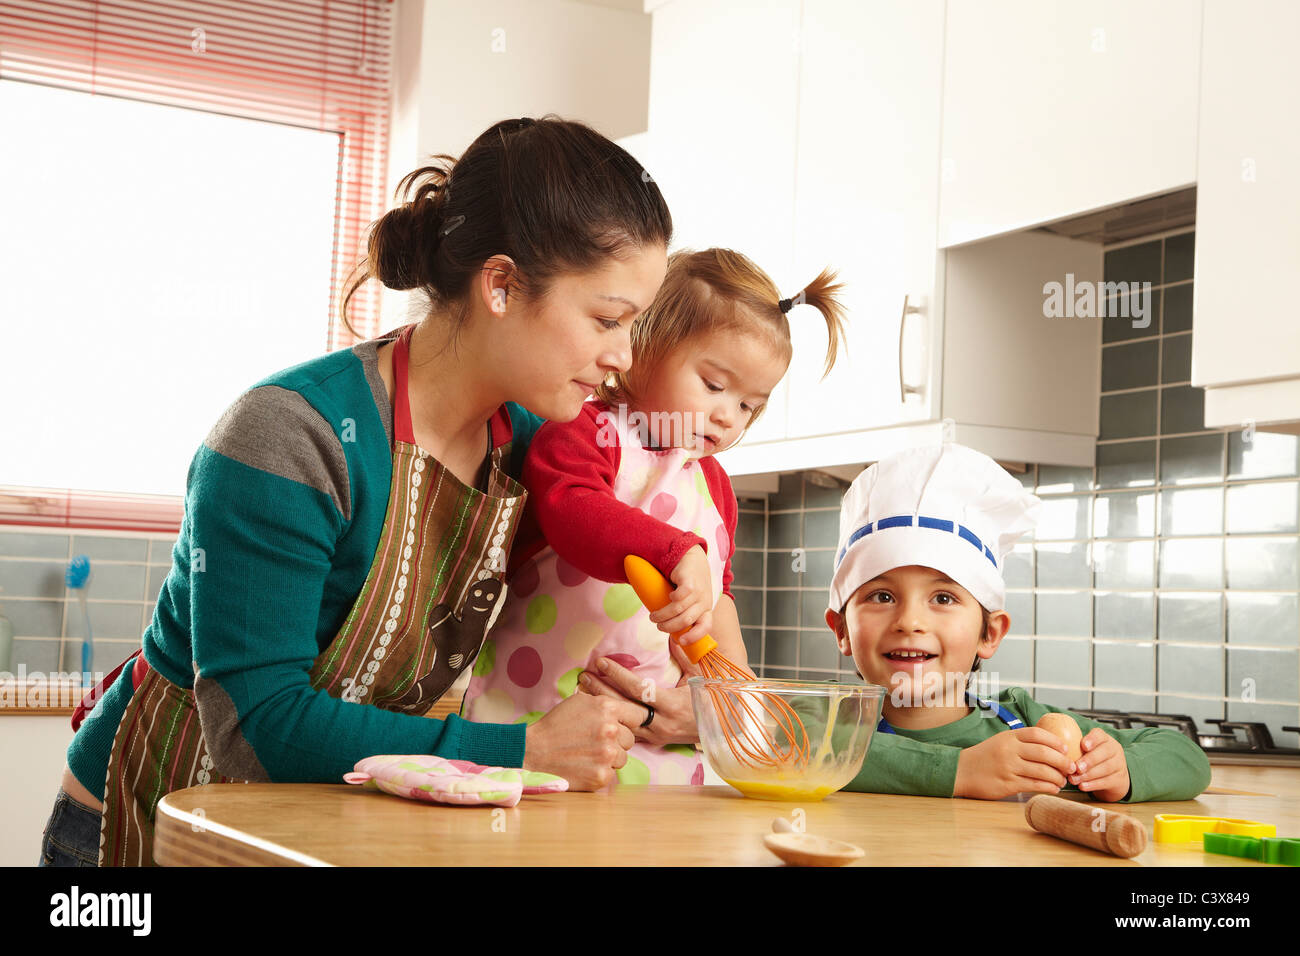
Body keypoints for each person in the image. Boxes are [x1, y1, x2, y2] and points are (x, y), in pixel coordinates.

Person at [39, 115, 672, 867]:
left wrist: (675, 687)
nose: (623, 357)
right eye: (608, 319)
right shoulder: (288, 435)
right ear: (500, 285)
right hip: (147, 822)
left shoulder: (529, 448)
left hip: (318, 827)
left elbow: (646, 506)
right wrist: (524, 749)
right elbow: (256, 726)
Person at [462, 248, 847, 784]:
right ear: (644, 346)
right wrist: (675, 549)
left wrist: (733, 698)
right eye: (714, 385)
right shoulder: (585, 432)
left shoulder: (713, 485)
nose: (725, 415)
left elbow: (720, 599)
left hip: (655, 747)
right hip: (542, 719)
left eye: (747, 406)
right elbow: (573, 511)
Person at [825, 442, 1212, 802]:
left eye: (943, 598)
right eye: (882, 596)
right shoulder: (820, 715)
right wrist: (961, 771)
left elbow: (1186, 756)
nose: (909, 621)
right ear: (841, 629)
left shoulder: (1023, 720)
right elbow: (794, 747)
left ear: (989, 633)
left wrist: (1123, 770)